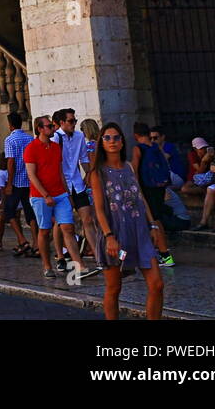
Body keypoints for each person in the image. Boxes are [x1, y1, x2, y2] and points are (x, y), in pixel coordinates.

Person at [89, 121, 166, 320]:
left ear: (122, 142)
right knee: (114, 287)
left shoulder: (130, 167)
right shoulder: (98, 173)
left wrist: (153, 225)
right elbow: (98, 209)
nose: (112, 141)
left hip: (140, 231)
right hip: (116, 233)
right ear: (102, 142)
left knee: (157, 284)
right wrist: (109, 237)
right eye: (107, 138)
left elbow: (140, 197)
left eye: (116, 137)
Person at [24, 115, 92, 281]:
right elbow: (31, 175)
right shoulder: (31, 148)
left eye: (52, 126)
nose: (52, 129)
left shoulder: (55, 147)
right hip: (41, 196)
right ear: (40, 129)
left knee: (68, 228)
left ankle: (79, 264)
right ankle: (47, 265)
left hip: (60, 193)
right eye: (48, 126)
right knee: (45, 231)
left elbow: (60, 172)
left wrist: (67, 193)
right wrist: (46, 194)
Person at [54, 109, 104, 271]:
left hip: (77, 184)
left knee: (88, 220)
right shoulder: (55, 138)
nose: (74, 124)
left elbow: (83, 158)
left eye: (74, 121)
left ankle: (99, 258)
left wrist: (91, 174)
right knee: (64, 225)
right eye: (70, 121)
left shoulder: (79, 137)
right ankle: (61, 256)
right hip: (62, 186)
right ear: (62, 123)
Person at [130, 122, 174, 266]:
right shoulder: (156, 146)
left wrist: (135, 189)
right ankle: (158, 252)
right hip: (159, 186)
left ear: (136, 135)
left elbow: (135, 171)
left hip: (146, 188)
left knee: (154, 221)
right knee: (156, 219)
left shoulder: (138, 149)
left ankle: (165, 254)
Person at [2, 112, 38, 258]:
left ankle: (22, 240)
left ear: (10, 125)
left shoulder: (10, 140)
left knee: (9, 210)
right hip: (29, 181)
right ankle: (36, 242)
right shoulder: (30, 138)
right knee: (30, 213)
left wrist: (9, 183)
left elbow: (11, 162)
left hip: (16, 181)